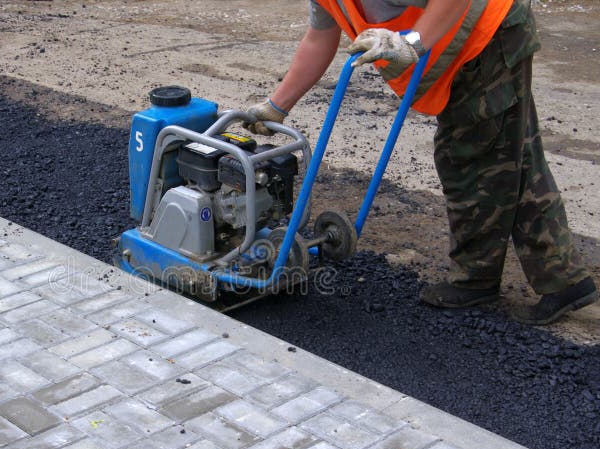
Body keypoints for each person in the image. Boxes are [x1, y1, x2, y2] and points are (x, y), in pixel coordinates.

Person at [245, 0, 597, 325]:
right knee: (511, 155)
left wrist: (412, 41)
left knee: (470, 161)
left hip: (486, 39)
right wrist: (277, 105)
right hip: (465, 46)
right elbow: (319, 37)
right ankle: (562, 280)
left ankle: (476, 281)